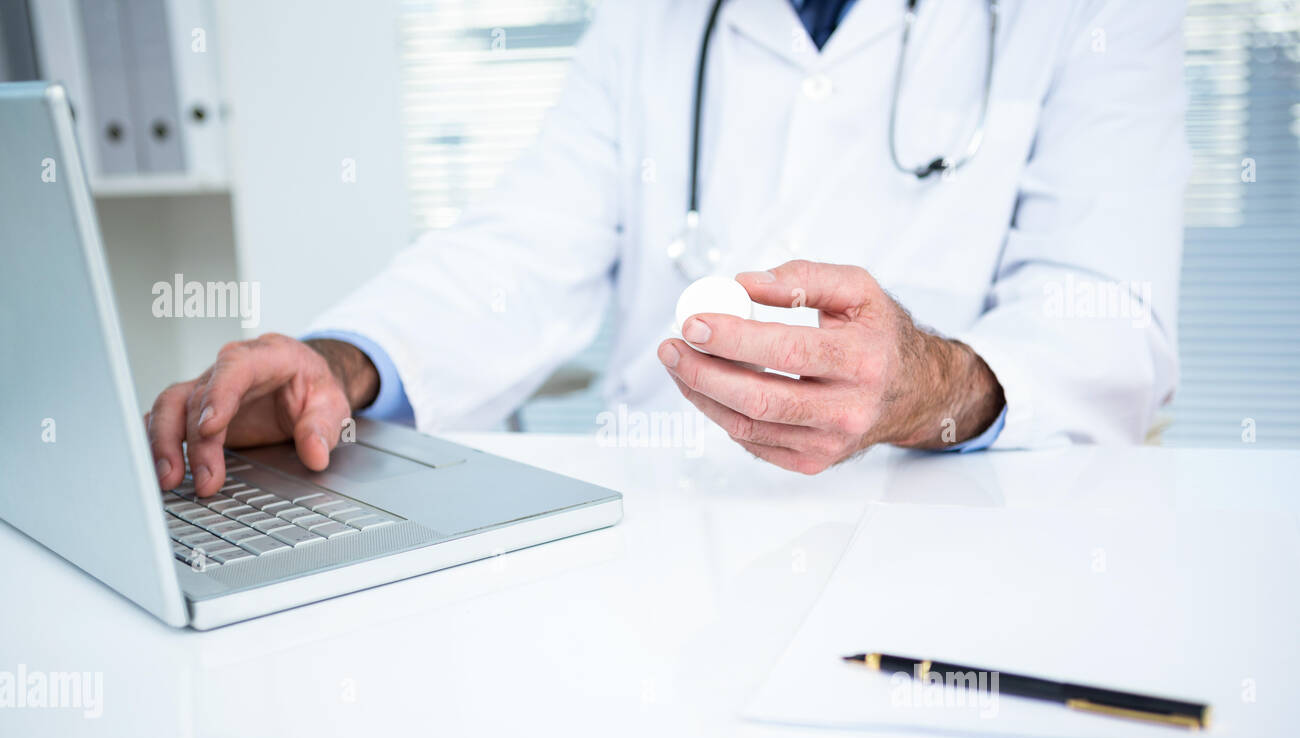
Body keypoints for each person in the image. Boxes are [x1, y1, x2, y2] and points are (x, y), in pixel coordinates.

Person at [148, 0, 1189, 497]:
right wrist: (338, 366)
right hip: (659, 545)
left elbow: (1106, 320)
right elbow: (520, 249)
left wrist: (927, 384)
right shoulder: (653, 24)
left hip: (943, 555)